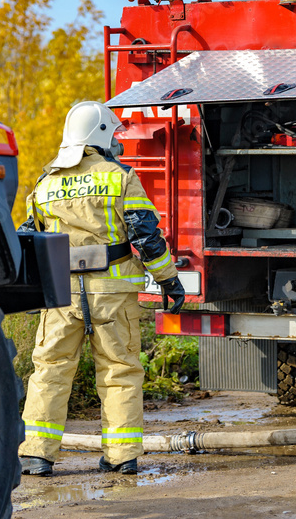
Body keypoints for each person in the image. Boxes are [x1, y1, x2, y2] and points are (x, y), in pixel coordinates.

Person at [18, 101, 185, 476]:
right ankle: (122, 456)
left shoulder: (46, 182)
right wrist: (168, 280)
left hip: (62, 293)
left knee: (50, 369)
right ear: (102, 135)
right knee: (119, 371)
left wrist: (32, 291)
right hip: (112, 292)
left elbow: (31, 239)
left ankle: (36, 455)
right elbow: (145, 236)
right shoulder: (120, 176)